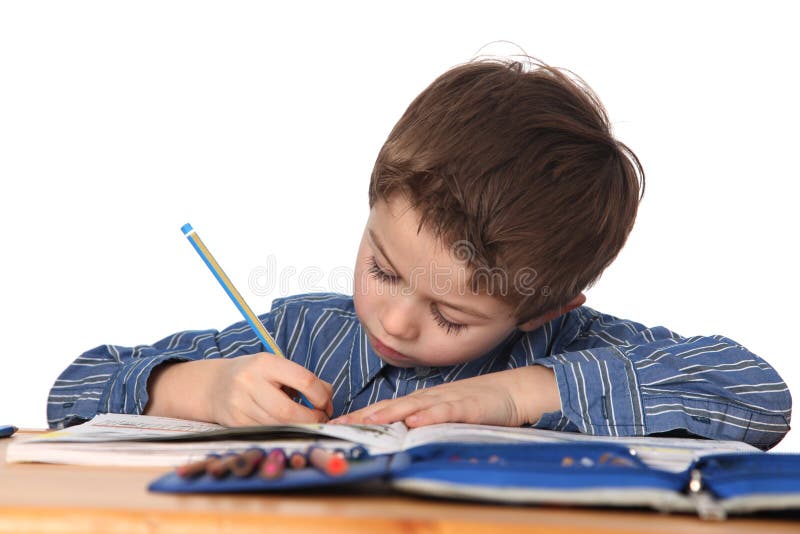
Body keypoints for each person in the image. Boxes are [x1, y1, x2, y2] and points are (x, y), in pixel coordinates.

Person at [47, 57, 791, 450]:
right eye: (383, 269)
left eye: (451, 313)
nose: (397, 322)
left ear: (544, 307)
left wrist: (520, 397)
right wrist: (200, 391)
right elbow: (72, 391)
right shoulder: (307, 337)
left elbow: (757, 393)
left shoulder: (577, 348)